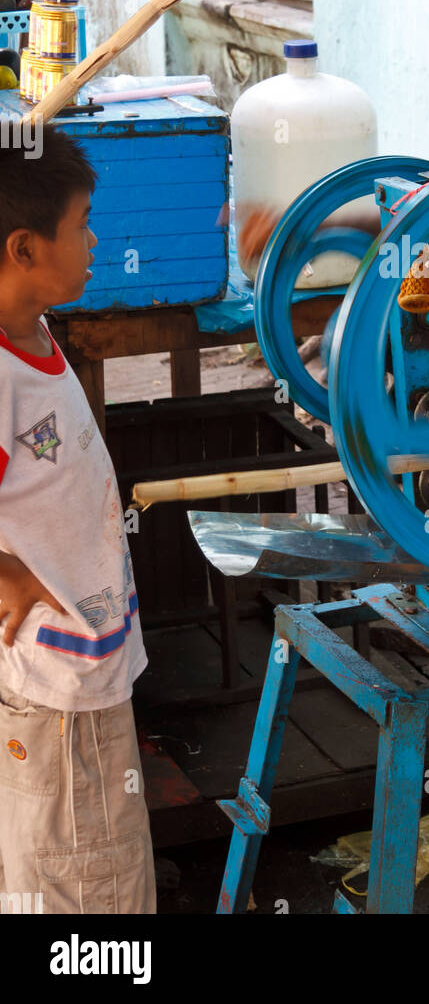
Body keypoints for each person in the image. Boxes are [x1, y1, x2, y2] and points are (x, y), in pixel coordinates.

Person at [0, 119, 155, 914]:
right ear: (24, 248)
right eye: (82, 225)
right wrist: (9, 574)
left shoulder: (31, 332)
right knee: (93, 900)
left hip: (78, 675)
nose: (96, 240)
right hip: (62, 696)